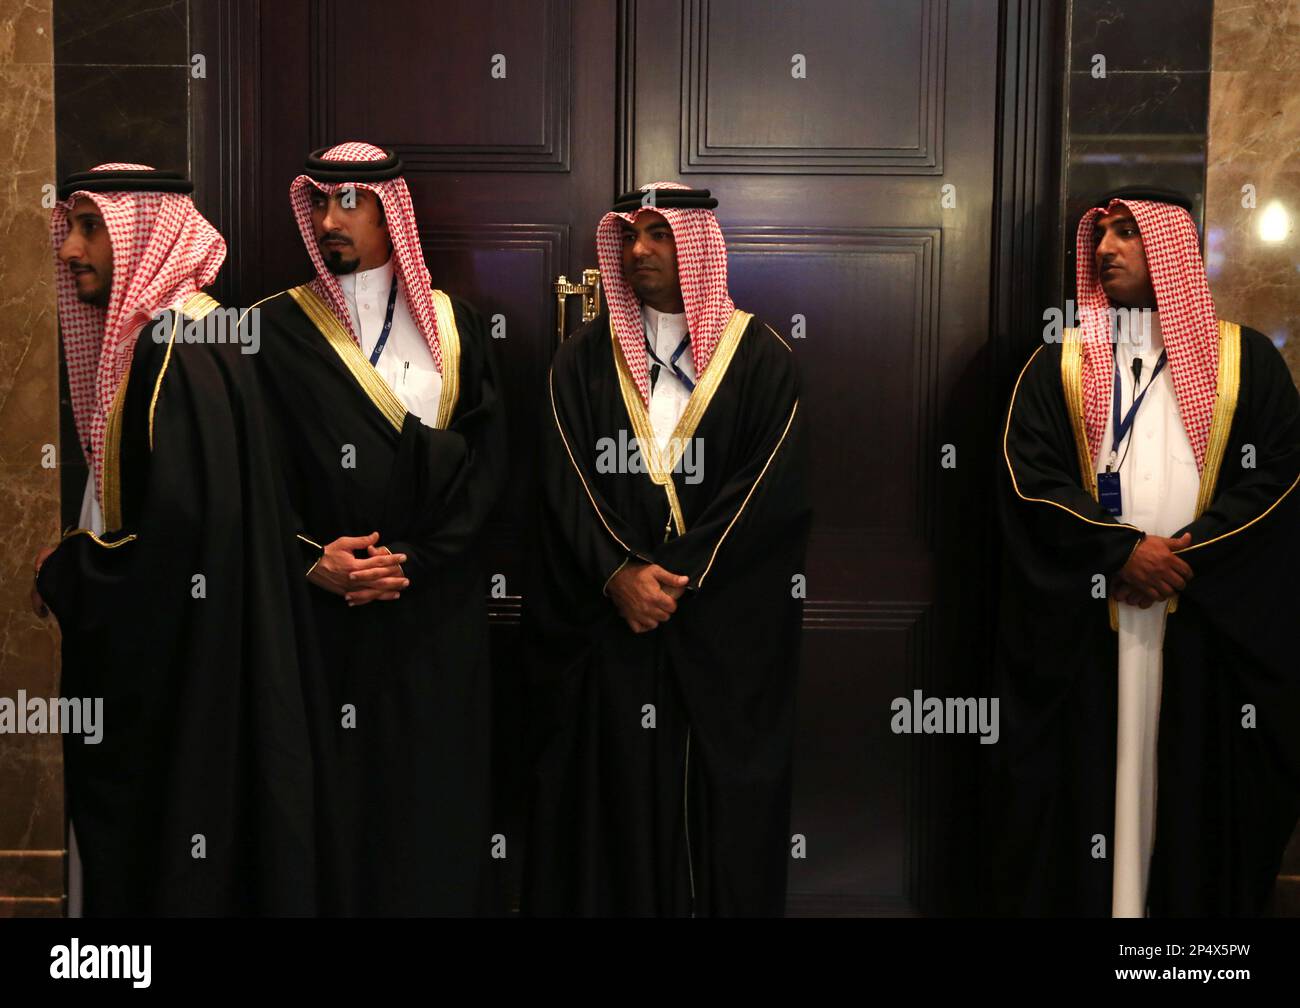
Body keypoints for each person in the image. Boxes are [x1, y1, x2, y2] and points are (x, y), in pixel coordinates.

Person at [994, 186, 1300, 917]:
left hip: (1203, 630)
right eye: (1100, 235)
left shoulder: (1246, 363)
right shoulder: (1058, 365)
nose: (1105, 249)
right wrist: (1119, 556)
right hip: (1090, 628)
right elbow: (1029, 482)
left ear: (1172, 248)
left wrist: (1181, 562)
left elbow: (1278, 478)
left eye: (1128, 233)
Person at [34, 163, 319, 915]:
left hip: (188, 669)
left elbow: (177, 548)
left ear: (145, 234)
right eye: (71, 227)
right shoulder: (180, 338)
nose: (69, 250)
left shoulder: (178, 352)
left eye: (90, 227)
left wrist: (73, 569)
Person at [524, 183, 811, 916]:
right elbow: (563, 485)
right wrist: (619, 573)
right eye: (630, 235)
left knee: (718, 824)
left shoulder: (761, 361)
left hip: (721, 639)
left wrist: (676, 577)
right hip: (613, 631)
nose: (641, 250)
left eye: (660, 233)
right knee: (612, 811)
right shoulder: (580, 362)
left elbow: (769, 494)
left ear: (700, 246)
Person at [247, 142, 506, 915]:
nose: (330, 219)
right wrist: (309, 560)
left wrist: (418, 563)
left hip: (436, 611)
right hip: (324, 613)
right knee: (334, 796)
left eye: (350, 202)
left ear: (393, 213)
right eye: (320, 202)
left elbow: (490, 469)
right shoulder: (270, 329)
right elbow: (248, 478)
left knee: (431, 800)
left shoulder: (455, 327)